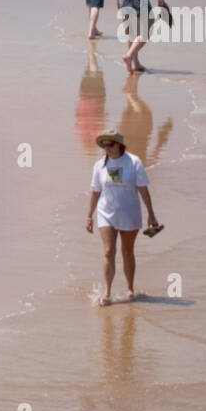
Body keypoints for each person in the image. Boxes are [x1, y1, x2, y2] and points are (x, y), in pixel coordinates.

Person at [86, 128, 161, 306]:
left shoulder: (134, 162)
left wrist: (151, 213)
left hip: (129, 212)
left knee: (127, 252)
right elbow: (95, 191)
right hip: (106, 213)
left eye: (109, 144)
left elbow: (143, 189)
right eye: (103, 145)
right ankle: (106, 293)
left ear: (119, 144)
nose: (106, 148)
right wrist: (89, 216)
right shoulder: (99, 165)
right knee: (108, 251)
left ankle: (130, 289)